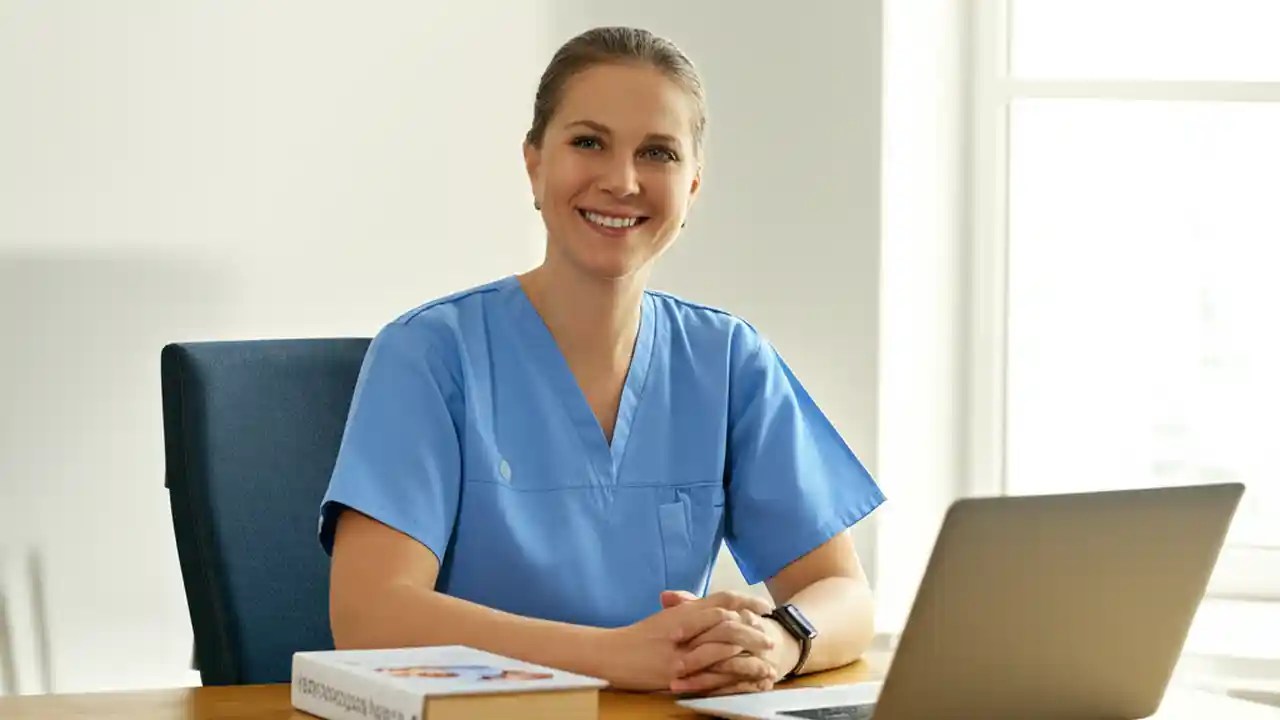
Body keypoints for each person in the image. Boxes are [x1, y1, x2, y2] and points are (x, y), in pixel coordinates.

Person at [320, 26, 885, 697]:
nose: (622, 181)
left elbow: (845, 595)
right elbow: (370, 614)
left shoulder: (727, 361)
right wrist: (613, 656)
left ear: (693, 187)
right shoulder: (428, 355)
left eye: (658, 153)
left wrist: (780, 640)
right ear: (535, 164)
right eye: (588, 142)